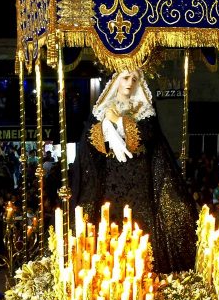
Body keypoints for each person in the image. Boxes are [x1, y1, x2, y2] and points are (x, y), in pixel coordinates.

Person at [72, 69, 197, 273]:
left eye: (134, 79)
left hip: (138, 179)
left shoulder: (144, 109)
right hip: (111, 179)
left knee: (140, 224)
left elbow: (146, 136)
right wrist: (106, 127)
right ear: (116, 81)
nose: (129, 83)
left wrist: (119, 122)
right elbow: (90, 142)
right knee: (110, 221)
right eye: (125, 78)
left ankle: (144, 270)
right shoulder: (103, 109)